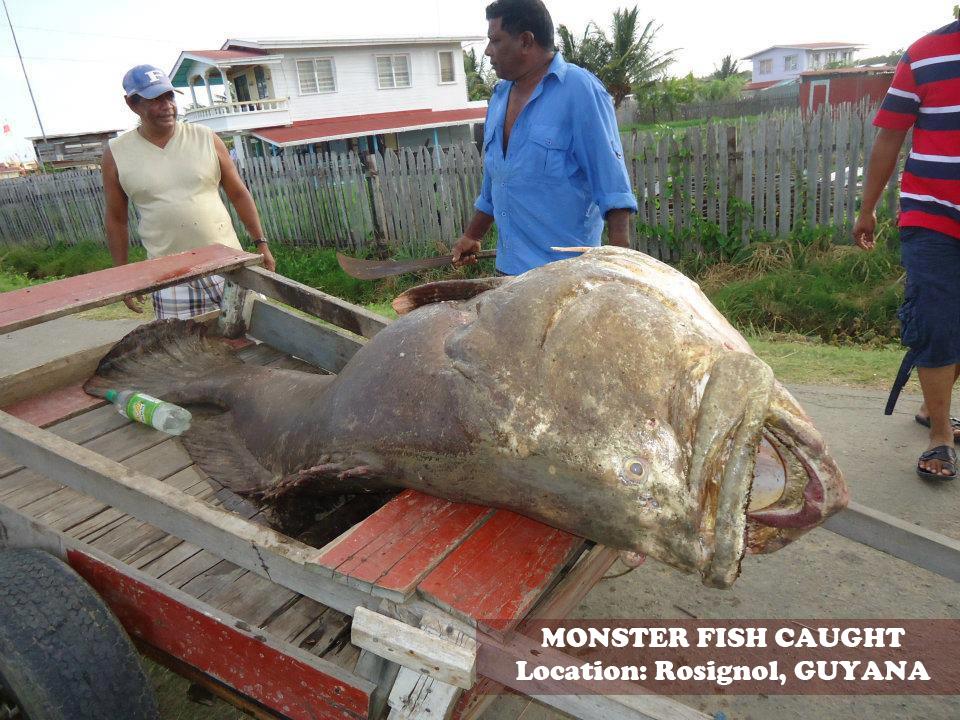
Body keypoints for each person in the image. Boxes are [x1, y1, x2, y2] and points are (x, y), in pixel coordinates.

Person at [451, 0, 637, 275]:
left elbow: (613, 191)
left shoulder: (580, 91)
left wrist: (620, 273)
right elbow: (496, 183)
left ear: (526, 41)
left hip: (565, 280)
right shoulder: (499, 97)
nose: (488, 51)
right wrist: (472, 236)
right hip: (508, 275)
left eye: (496, 40)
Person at [853, 18, 960, 480]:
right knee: (936, 321)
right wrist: (868, 208)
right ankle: (941, 435)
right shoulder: (923, 54)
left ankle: (927, 409)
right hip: (932, 214)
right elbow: (890, 136)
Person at [102, 64, 276, 319]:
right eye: (154, 99)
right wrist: (123, 275)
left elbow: (238, 193)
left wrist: (261, 243)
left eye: (169, 97)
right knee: (182, 352)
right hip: (170, 278)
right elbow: (116, 219)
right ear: (132, 104)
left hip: (228, 265)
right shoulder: (116, 153)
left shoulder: (205, 138)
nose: (166, 106)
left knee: (254, 340)